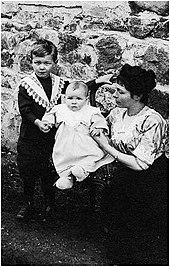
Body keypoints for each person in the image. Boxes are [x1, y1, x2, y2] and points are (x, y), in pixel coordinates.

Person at [16, 38, 113, 220]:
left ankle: (49, 203)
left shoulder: (59, 83)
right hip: (31, 136)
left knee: (48, 170)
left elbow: (80, 87)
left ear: (55, 63)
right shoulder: (27, 85)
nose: (42, 67)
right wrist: (38, 122)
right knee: (28, 171)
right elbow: (25, 109)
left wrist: (99, 81)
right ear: (31, 62)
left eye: (47, 63)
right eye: (37, 63)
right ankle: (27, 202)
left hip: (51, 138)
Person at [91, 64, 168, 264]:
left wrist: (106, 147)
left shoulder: (152, 120)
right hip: (123, 165)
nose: (114, 96)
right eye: (115, 90)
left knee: (125, 197)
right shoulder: (117, 113)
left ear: (137, 96)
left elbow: (141, 164)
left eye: (120, 91)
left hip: (148, 173)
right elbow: (96, 119)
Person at [42, 81, 114, 190]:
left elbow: (100, 121)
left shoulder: (91, 111)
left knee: (89, 158)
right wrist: (47, 123)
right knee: (63, 161)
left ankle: (82, 171)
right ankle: (67, 178)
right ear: (65, 98)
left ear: (86, 99)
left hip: (85, 147)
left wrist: (98, 127)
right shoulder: (59, 109)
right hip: (65, 147)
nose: (74, 102)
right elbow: (49, 116)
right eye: (70, 98)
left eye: (79, 99)